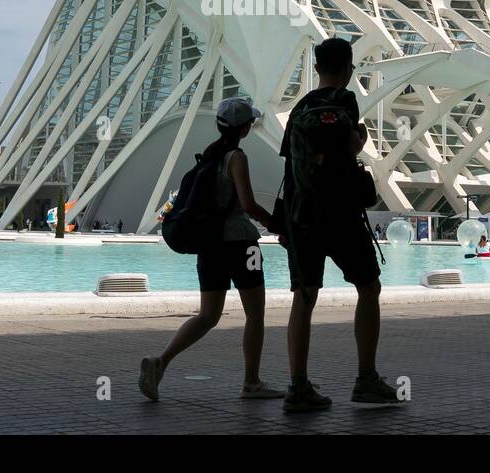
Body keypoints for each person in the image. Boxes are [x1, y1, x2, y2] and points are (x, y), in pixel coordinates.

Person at [273, 37, 401, 413]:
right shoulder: (345, 100)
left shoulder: (300, 108)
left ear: (316, 69)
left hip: (303, 216)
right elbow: (348, 148)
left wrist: (286, 220)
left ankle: (297, 385)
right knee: (368, 287)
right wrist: (359, 140)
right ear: (348, 69)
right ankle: (366, 379)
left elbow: (290, 167)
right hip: (341, 215)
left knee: (305, 297)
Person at [139, 97, 281, 402]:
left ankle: (160, 362)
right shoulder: (236, 158)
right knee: (255, 314)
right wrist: (280, 226)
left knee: (208, 315)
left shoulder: (209, 157)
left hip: (210, 245)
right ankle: (251, 383)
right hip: (242, 245)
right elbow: (248, 206)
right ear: (245, 128)